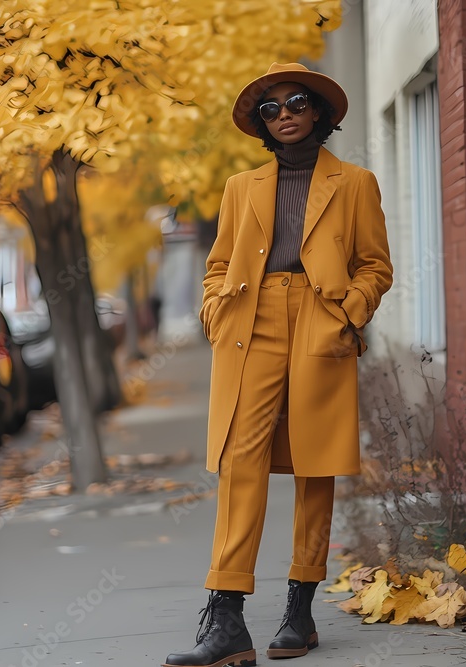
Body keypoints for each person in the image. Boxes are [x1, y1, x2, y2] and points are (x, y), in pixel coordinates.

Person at [164, 62, 393, 667]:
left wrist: (349, 314)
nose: (284, 113)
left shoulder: (355, 183)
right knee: (241, 459)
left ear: (317, 110)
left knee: (316, 463)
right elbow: (218, 266)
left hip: (321, 318)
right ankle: (227, 615)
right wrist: (216, 313)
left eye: (295, 102)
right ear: (261, 123)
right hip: (251, 324)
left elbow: (376, 265)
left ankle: (300, 605)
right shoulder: (242, 187)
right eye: (270, 108)